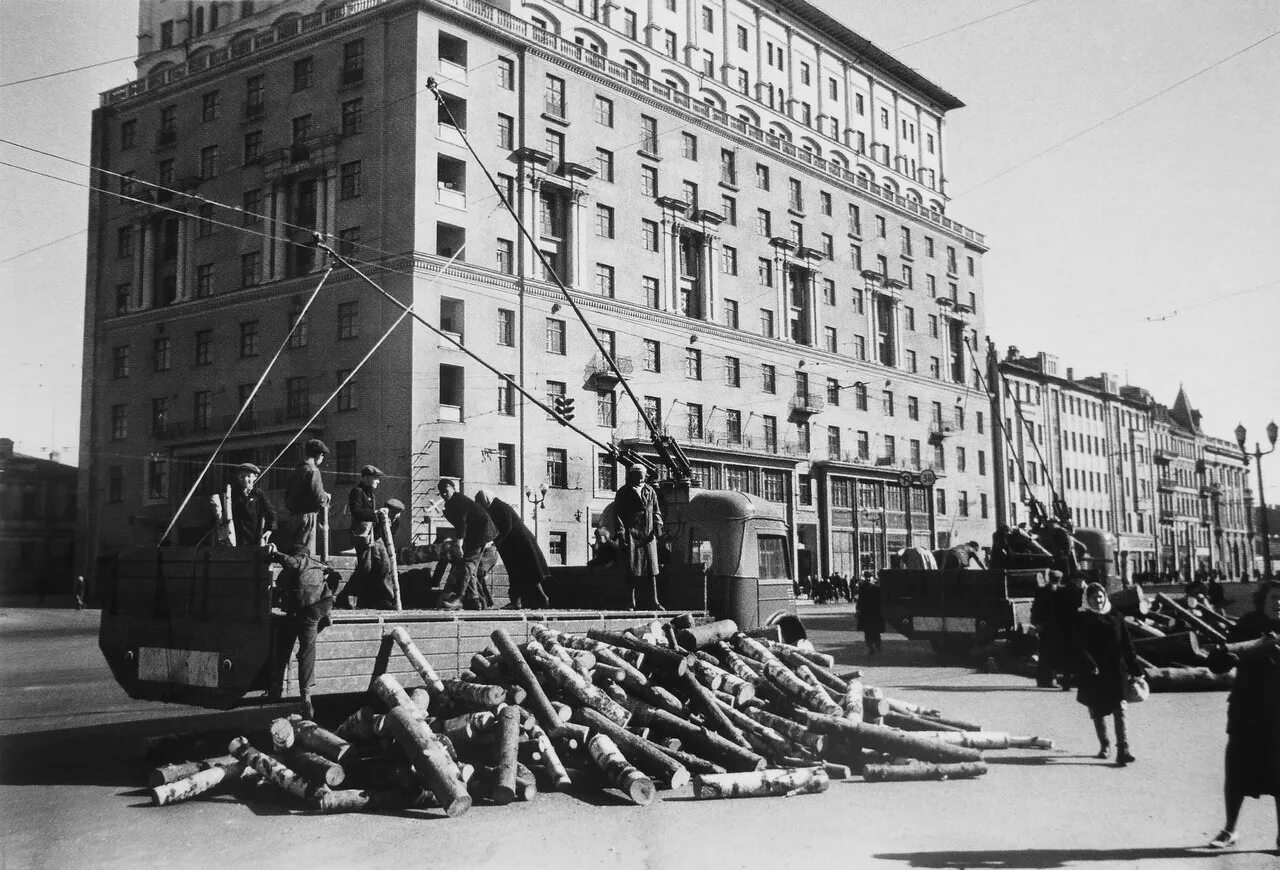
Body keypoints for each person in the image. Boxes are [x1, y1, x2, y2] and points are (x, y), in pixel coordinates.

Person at [1205, 579, 1280, 850]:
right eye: (1274, 599)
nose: (1279, 603)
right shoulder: (1248, 624)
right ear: (1264, 600)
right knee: (1235, 773)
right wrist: (1232, 655)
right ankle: (1229, 829)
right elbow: (1217, 663)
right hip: (1246, 711)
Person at [1073, 581, 1140, 766]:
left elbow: (1127, 645)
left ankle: (1123, 750)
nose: (1099, 600)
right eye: (1094, 598)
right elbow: (1078, 646)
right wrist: (1089, 663)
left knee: (1120, 709)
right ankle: (1105, 745)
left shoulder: (1116, 616)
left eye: (1101, 596)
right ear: (1088, 599)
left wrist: (1136, 669)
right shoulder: (1083, 619)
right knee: (1097, 709)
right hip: (1094, 671)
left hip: (1115, 670)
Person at [265, 541, 334, 718]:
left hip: (305, 610)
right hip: (318, 607)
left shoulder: (298, 562)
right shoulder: (317, 565)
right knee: (306, 650)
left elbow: (291, 565)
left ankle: (278, 688)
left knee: (285, 644)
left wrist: (276, 553)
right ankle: (306, 696)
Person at [474, 489, 551, 608]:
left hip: (520, 544)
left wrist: (496, 542)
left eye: (481, 503)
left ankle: (536, 599)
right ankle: (522, 601)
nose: (481, 506)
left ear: (486, 499)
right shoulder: (494, 508)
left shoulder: (499, 507)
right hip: (514, 545)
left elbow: (506, 527)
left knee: (526, 572)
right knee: (520, 573)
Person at [438, 478, 497, 610]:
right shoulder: (453, 502)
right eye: (441, 492)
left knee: (468, 564)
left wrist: (459, 544)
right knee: (471, 568)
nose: (444, 494)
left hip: (481, 533)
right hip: (476, 533)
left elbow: (461, 522)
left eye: (446, 490)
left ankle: (459, 598)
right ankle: (475, 601)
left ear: (453, 488)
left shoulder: (459, 500)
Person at [613, 464, 665, 610]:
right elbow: (617, 514)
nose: (642, 478)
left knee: (652, 570)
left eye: (644, 475)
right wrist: (622, 533)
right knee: (632, 569)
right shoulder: (623, 492)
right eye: (639, 475)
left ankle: (655, 601)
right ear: (632, 476)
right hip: (632, 534)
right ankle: (631, 601)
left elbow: (656, 511)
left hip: (648, 534)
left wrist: (658, 526)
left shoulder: (650, 491)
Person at [337, 498, 404, 610]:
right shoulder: (375, 516)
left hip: (380, 545)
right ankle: (344, 596)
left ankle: (383, 599)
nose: (397, 516)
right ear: (388, 510)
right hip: (368, 544)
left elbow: (390, 538)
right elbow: (367, 535)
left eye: (399, 513)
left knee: (384, 568)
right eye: (395, 513)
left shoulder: (395, 521)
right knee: (364, 569)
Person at [283, 439, 330, 555]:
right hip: (308, 518)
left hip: (293, 517)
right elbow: (319, 498)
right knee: (305, 555)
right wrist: (326, 497)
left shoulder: (297, 470)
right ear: (319, 454)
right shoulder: (313, 471)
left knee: (295, 553)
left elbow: (287, 496)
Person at [230, 463, 276, 548]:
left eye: (248, 476)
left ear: (255, 477)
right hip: (237, 539)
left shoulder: (259, 494)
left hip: (255, 538)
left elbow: (271, 513)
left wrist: (269, 529)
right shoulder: (232, 494)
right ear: (238, 477)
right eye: (242, 476)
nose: (245, 479)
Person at [1031, 571, 1065, 688]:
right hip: (1056, 627)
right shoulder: (1062, 591)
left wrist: (1036, 624)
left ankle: (1042, 680)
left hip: (1044, 627)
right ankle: (1051, 680)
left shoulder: (1041, 591)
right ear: (1060, 579)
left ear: (1049, 578)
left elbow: (1035, 609)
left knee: (1044, 653)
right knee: (1053, 654)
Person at [347, 465, 382, 556]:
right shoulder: (357, 491)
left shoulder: (370, 493)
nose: (378, 482)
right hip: (361, 533)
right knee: (365, 563)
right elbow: (356, 511)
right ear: (366, 478)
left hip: (370, 532)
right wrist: (374, 513)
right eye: (376, 478)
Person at [856, 570, 884, 657]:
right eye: (867, 577)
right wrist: (858, 609)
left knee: (875, 631)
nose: (868, 579)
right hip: (866, 613)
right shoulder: (863, 587)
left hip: (875, 613)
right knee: (867, 631)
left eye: (870, 577)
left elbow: (881, 600)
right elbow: (860, 600)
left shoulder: (877, 587)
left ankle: (878, 648)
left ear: (872, 578)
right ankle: (870, 648)